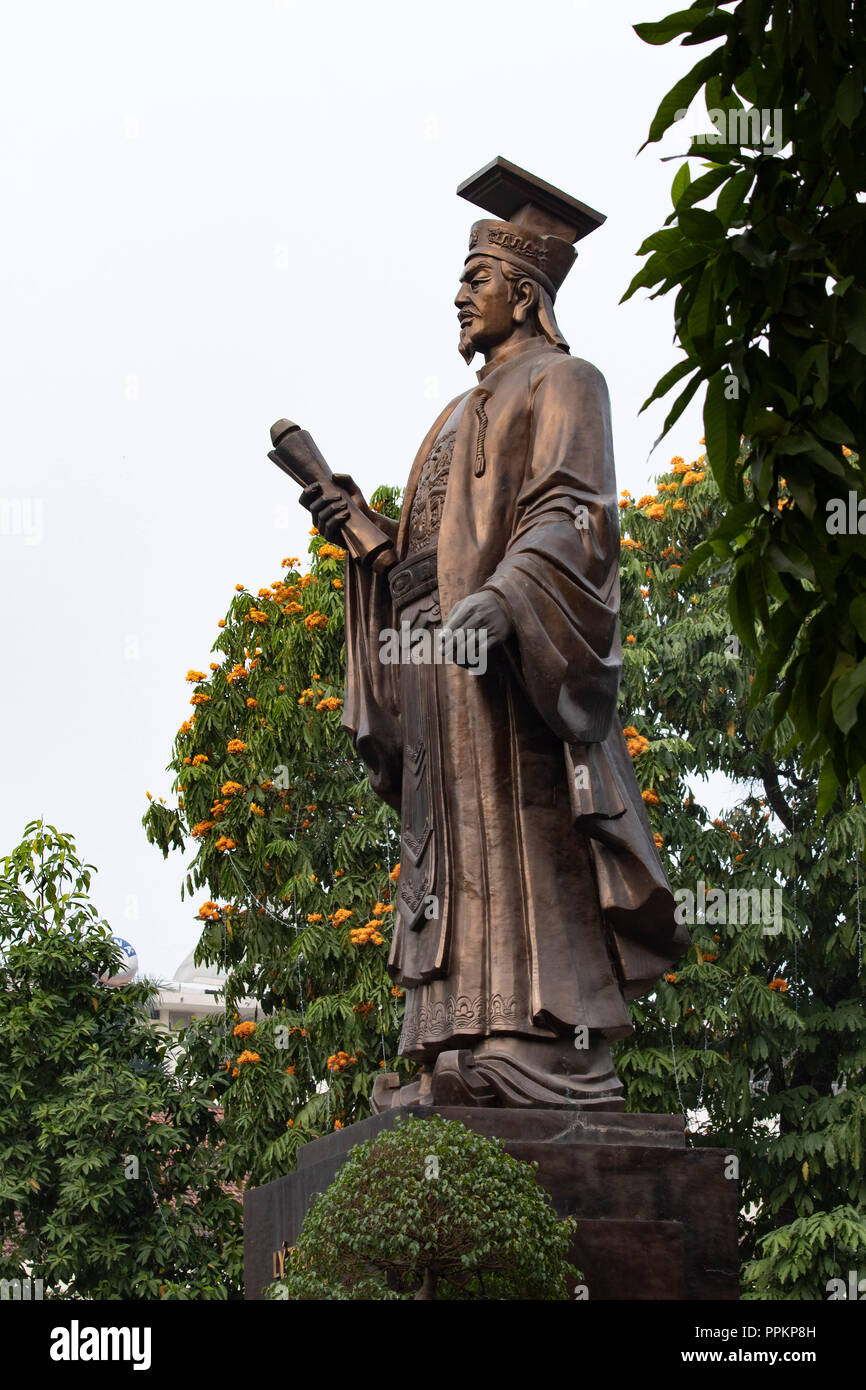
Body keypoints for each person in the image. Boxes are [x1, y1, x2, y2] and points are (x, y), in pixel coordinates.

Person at [303, 158, 689, 1109]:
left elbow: (575, 512)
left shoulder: (567, 383)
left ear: (525, 293)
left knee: (516, 836)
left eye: (474, 282)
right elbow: (422, 554)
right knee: (443, 842)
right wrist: (361, 535)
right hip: (437, 657)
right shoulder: (447, 417)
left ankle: (535, 1044)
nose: (459, 299)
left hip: (506, 656)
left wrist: (513, 597)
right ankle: (452, 1044)